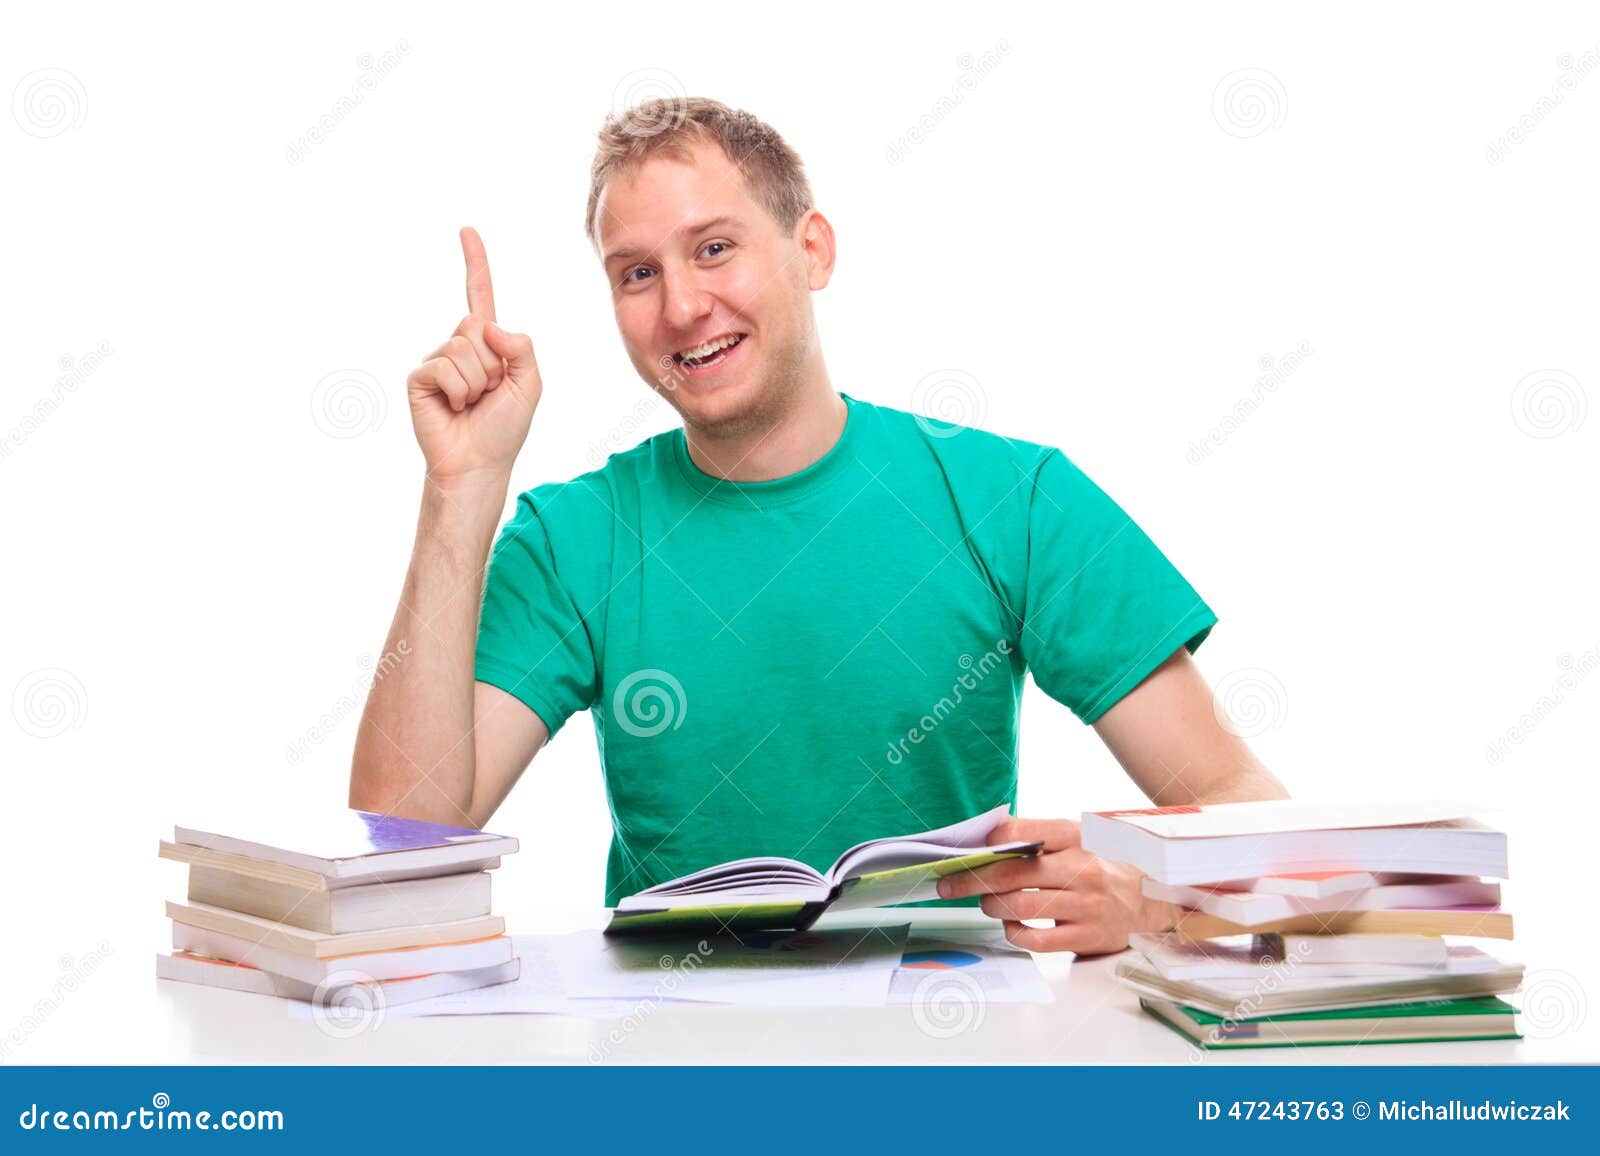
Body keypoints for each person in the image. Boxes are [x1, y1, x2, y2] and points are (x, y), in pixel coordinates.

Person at [349, 97, 1288, 954]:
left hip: (949, 1043)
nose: (681, 307)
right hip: (669, 1048)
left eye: (714, 248)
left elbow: (1247, 806)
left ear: (814, 251)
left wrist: (1154, 902)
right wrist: (461, 489)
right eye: (638, 273)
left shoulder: (1015, 495)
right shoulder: (574, 536)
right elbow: (400, 854)